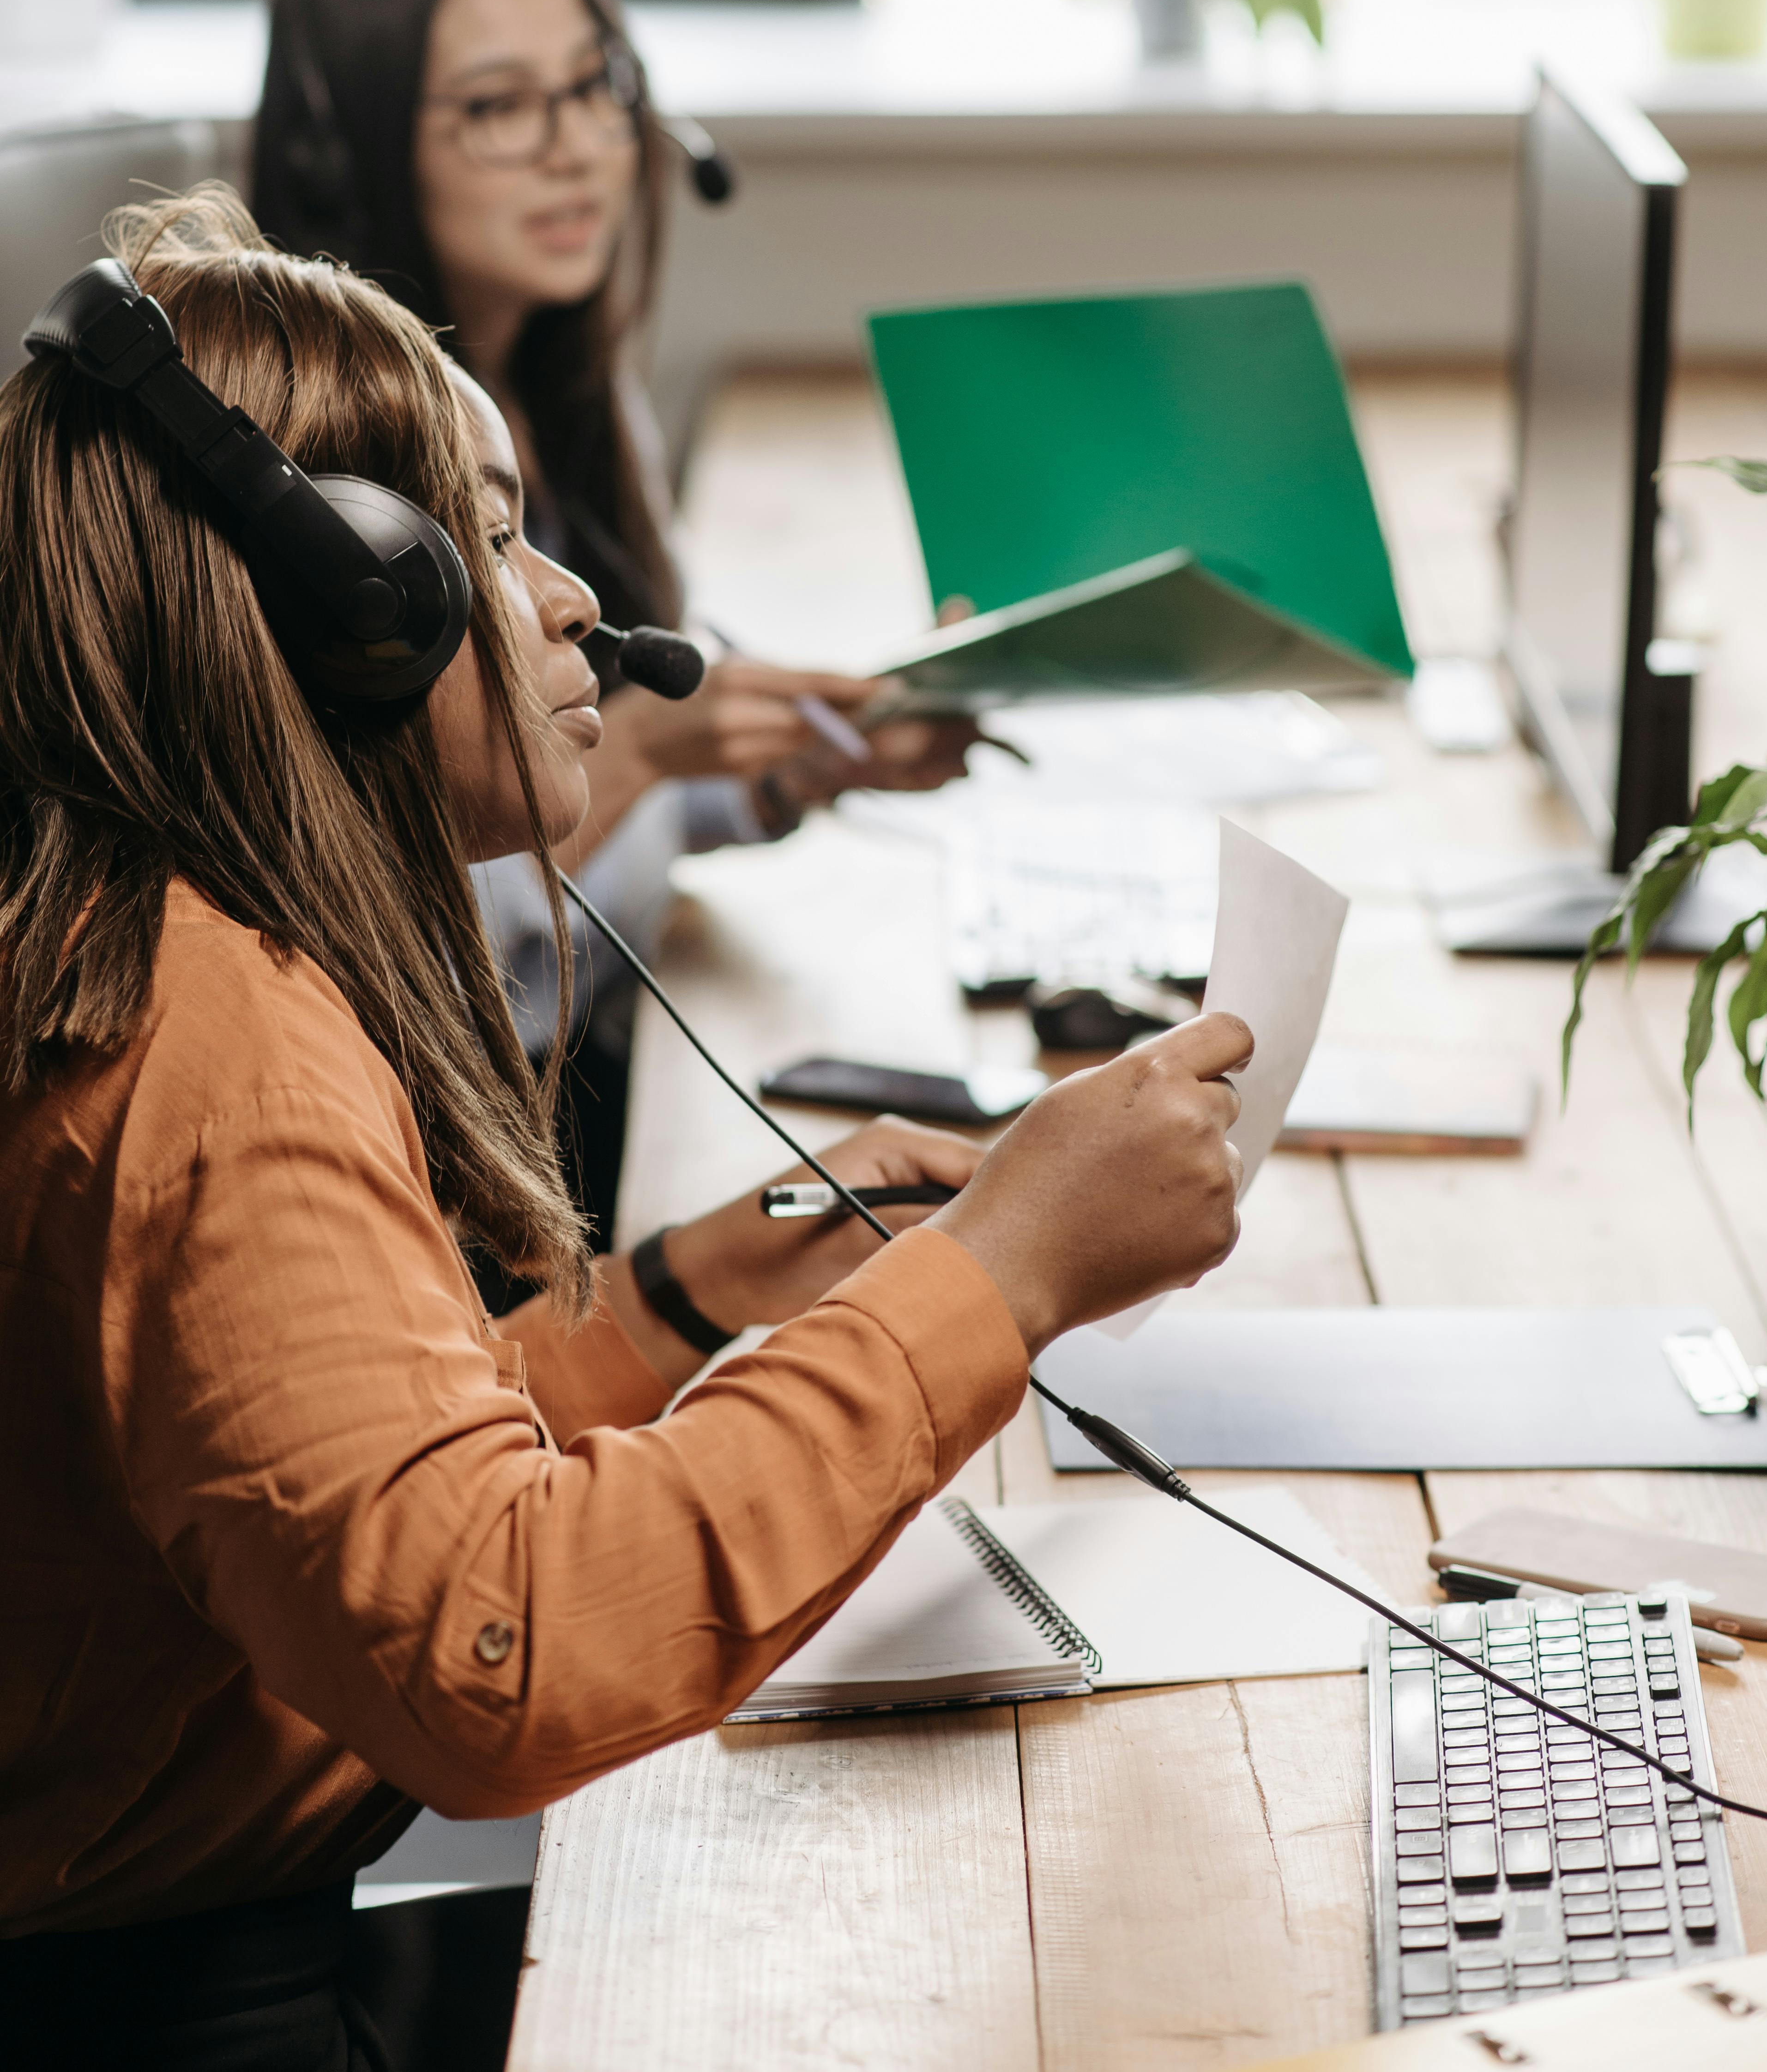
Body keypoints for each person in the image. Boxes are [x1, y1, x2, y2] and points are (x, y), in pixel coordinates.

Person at [0, 192, 1250, 2067]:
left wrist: (680, 1293)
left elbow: (304, 1473)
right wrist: (1004, 1273)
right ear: (354, 609)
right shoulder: (217, 1054)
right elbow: (493, 1651)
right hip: (160, 1996)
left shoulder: (163, 932)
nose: (576, 599)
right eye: (491, 541)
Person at [252, 0, 979, 1261]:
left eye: (595, 90)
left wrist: (800, 756)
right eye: (498, 106)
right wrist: (640, 761)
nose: (576, 148)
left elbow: (625, 713)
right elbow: (366, 959)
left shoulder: (566, 396)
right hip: (447, 1183)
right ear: (341, 144)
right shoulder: (324, 497)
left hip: (575, 1095)